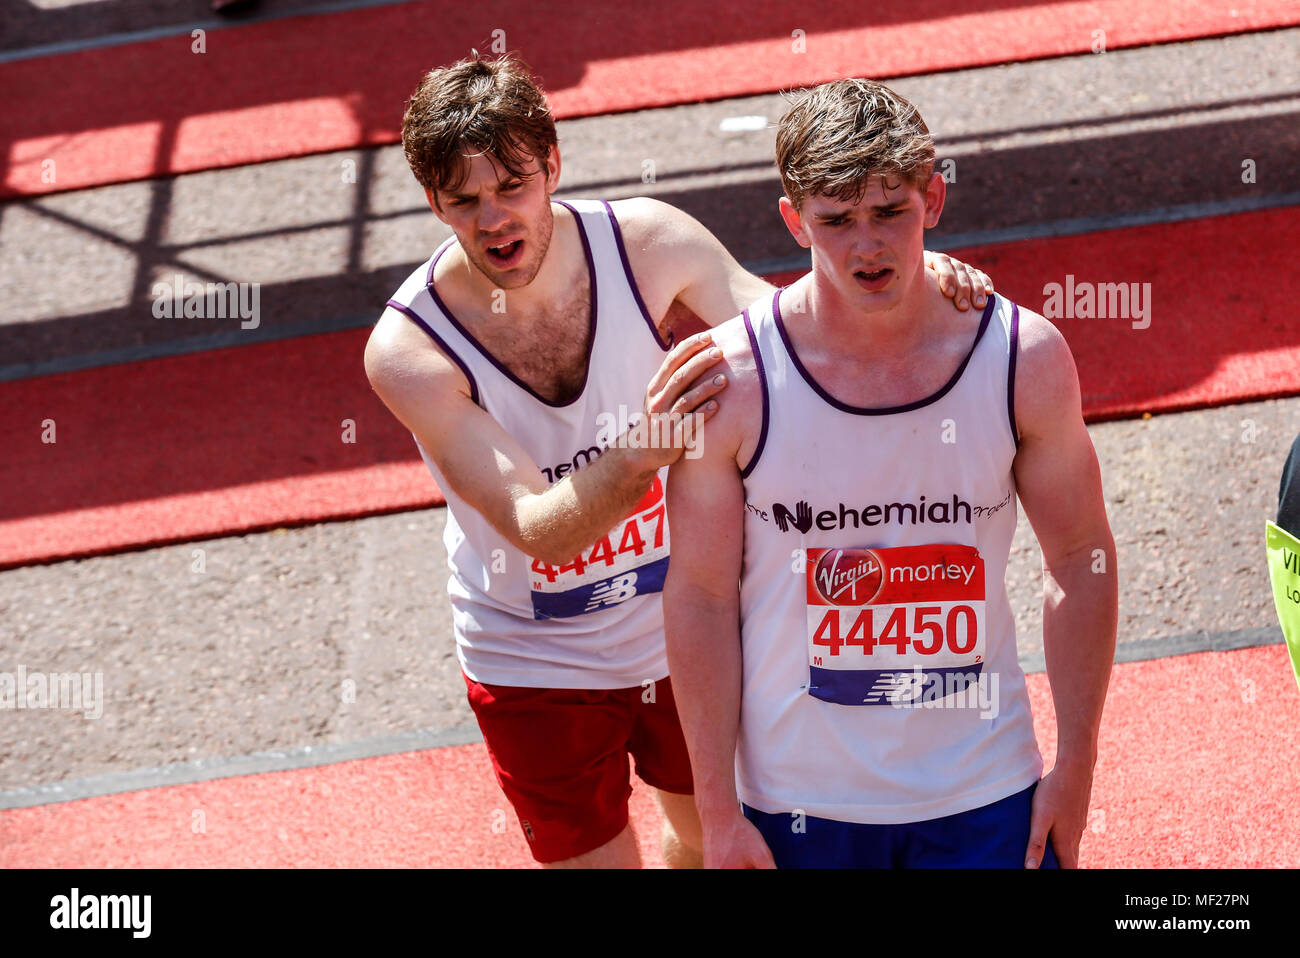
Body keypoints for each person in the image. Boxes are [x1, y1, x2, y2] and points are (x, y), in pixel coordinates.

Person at [364, 54, 994, 868]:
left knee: (717, 846)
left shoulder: (650, 244)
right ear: (432, 203)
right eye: (464, 201)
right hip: (532, 656)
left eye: (513, 185)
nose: (494, 219)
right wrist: (642, 448)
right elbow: (540, 531)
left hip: (680, 632)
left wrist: (908, 280)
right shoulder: (410, 349)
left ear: (553, 164)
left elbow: (803, 343)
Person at [663, 78, 1118, 868]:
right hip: (795, 808)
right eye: (836, 222)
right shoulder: (732, 381)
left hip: (985, 791)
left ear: (933, 200)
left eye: (889, 214)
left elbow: (1080, 558)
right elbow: (699, 597)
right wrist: (716, 812)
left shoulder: (1023, 358)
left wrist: (1076, 765)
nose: (865, 247)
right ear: (792, 218)